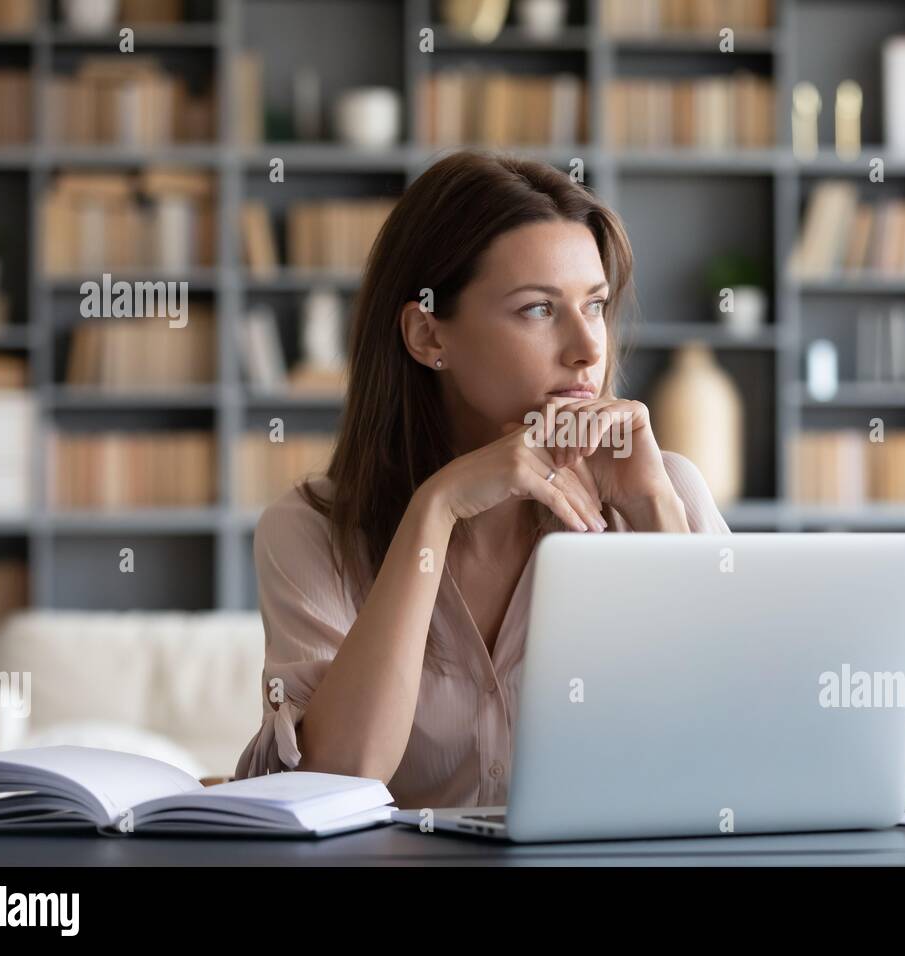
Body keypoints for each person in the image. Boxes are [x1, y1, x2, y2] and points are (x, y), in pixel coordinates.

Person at [234, 150, 731, 808]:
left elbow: (731, 745)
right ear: (427, 335)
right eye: (537, 310)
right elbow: (340, 775)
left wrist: (652, 511)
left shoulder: (662, 490)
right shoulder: (310, 532)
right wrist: (434, 509)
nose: (587, 347)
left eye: (597, 306)